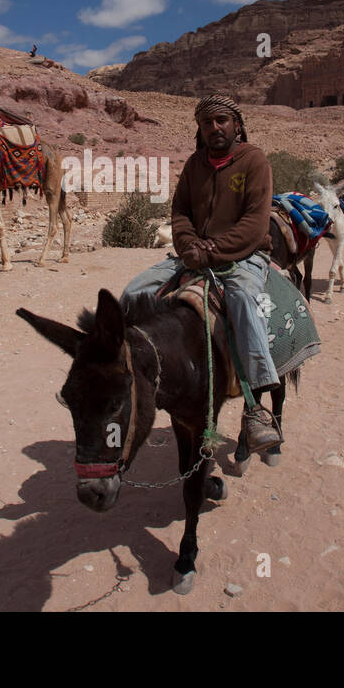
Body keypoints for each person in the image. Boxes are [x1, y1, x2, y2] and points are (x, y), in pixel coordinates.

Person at [121, 94, 283, 451]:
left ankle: (256, 406)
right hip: (194, 254)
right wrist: (188, 244)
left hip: (243, 257)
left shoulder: (254, 161)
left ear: (236, 125)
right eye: (207, 123)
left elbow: (255, 223)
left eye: (221, 121)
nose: (214, 128)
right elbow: (180, 210)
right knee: (133, 293)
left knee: (242, 300)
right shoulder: (196, 164)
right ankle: (124, 380)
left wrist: (209, 250)